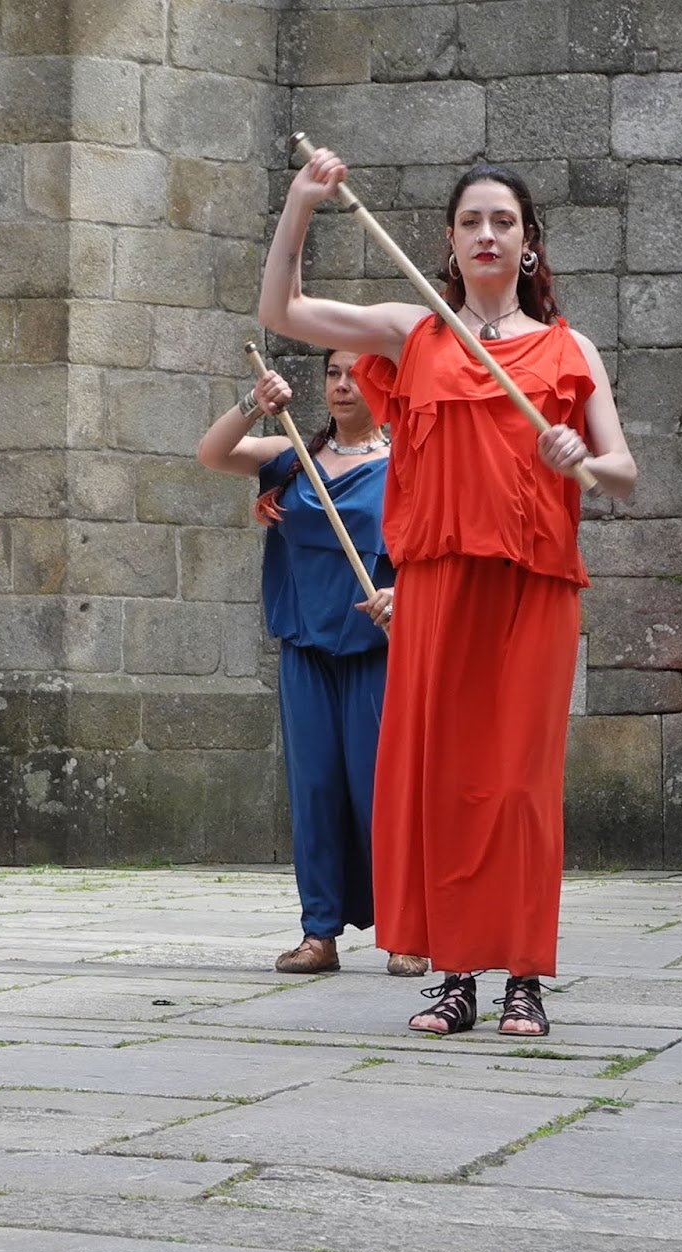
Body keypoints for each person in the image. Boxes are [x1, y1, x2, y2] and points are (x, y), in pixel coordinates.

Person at [259, 149, 636, 1036]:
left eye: (504, 220)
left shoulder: (569, 348)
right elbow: (283, 309)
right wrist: (301, 204)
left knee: (519, 788)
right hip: (433, 588)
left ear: (529, 242)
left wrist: (585, 460)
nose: (487, 235)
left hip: (532, 589)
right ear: (450, 240)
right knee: (443, 780)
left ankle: (525, 980)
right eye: (472, 221)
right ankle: (458, 973)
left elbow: (623, 472)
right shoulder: (414, 333)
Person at [199, 352, 424, 979]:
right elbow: (213, 454)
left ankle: (405, 929)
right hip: (305, 646)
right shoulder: (293, 453)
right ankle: (318, 933)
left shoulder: (411, 462)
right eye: (333, 373)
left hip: (377, 648)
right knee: (316, 788)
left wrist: (405, 595)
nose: (344, 384)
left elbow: (437, 547)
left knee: (379, 791)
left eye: (358, 373)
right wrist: (253, 403)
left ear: (386, 384)